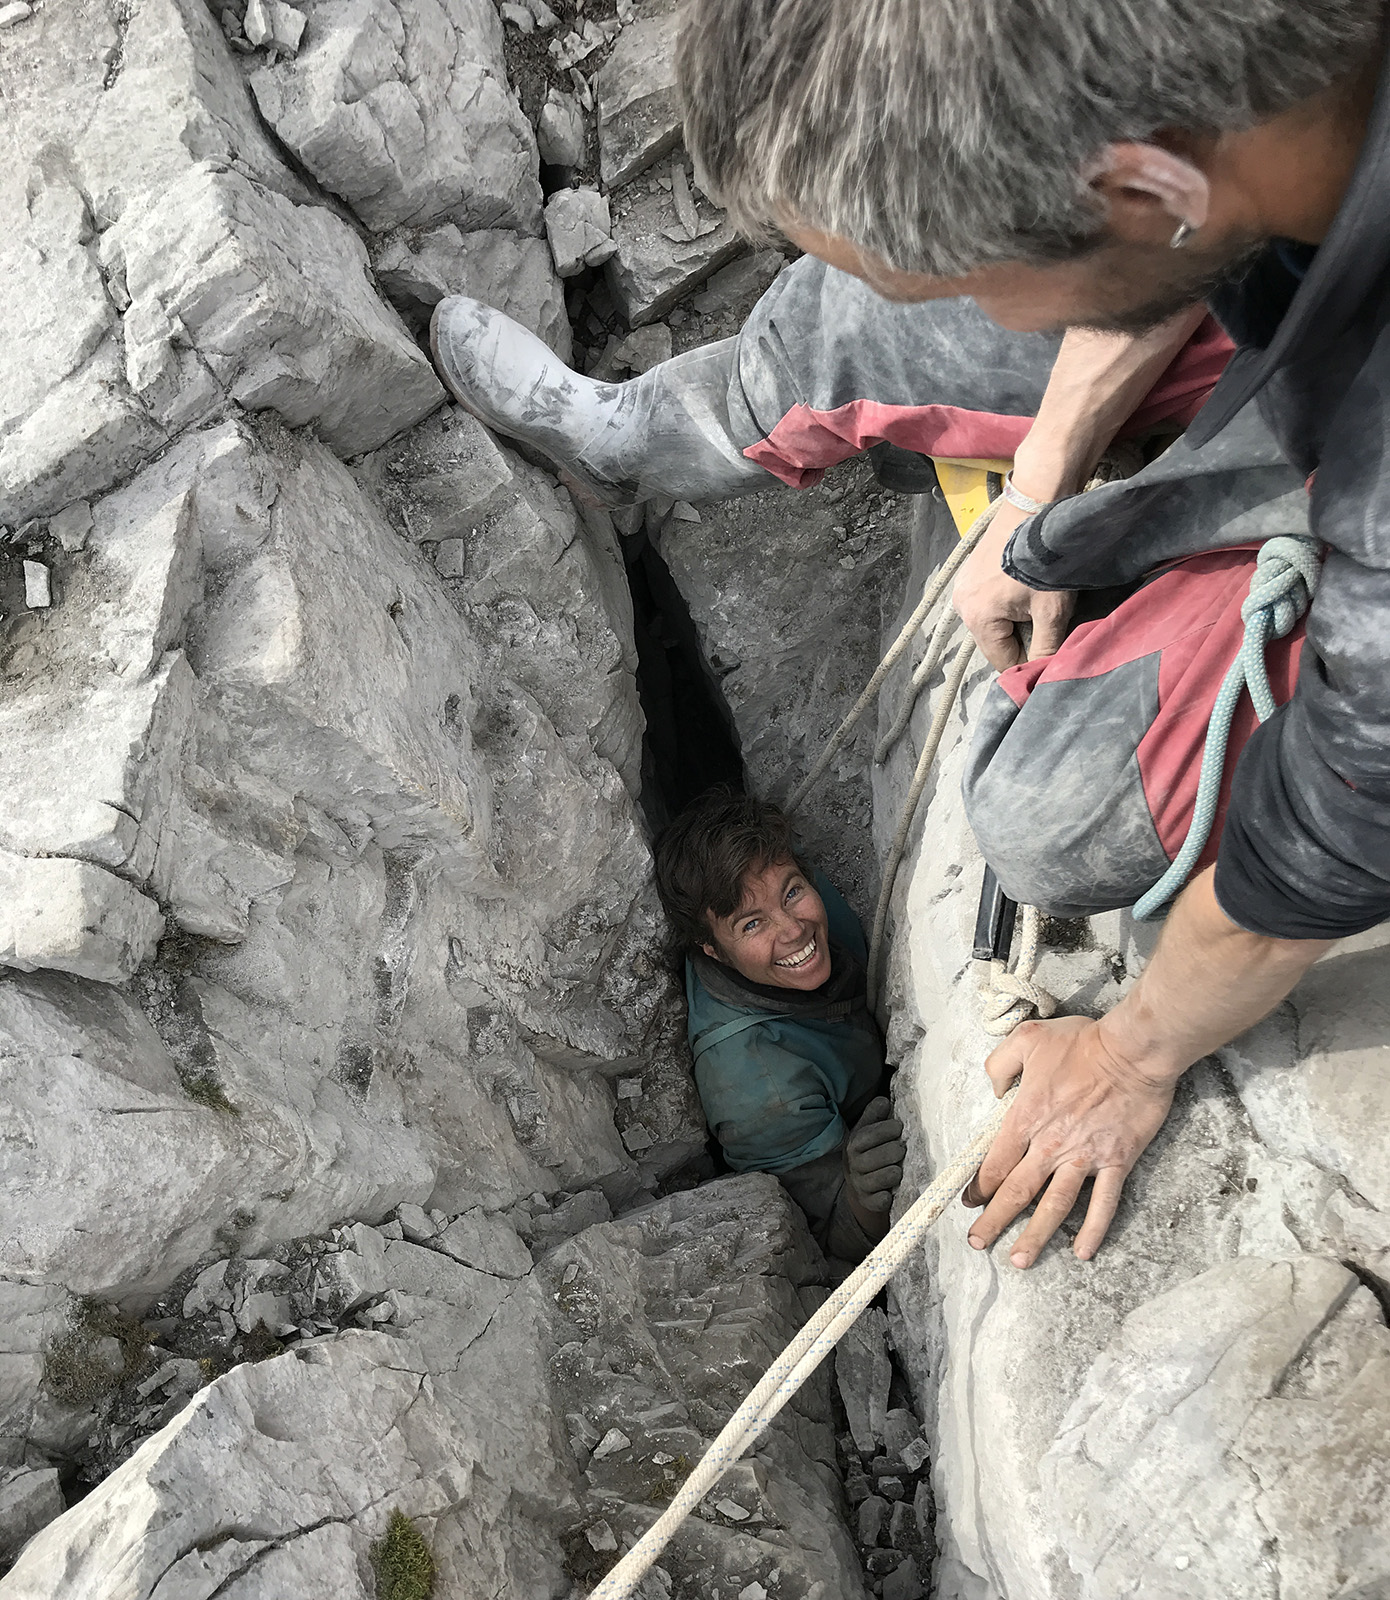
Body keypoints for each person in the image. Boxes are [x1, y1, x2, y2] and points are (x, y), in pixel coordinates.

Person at [429, 0, 1390, 1268]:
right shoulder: (1218, 117)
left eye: (976, 282)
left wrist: (1127, 1052)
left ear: (1143, 187)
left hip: (1334, 489)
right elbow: (1156, 226)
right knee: (860, 334)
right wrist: (1041, 481)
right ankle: (627, 442)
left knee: (1040, 817)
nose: (985, 319)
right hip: (1273, 303)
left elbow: (1328, 838)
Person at [654, 788, 906, 1265]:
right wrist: (861, 1194)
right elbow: (829, 1240)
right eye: (752, 925)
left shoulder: (783, 895)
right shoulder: (762, 1091)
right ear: (711, 948)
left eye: (793, 892)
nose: (792, 929)